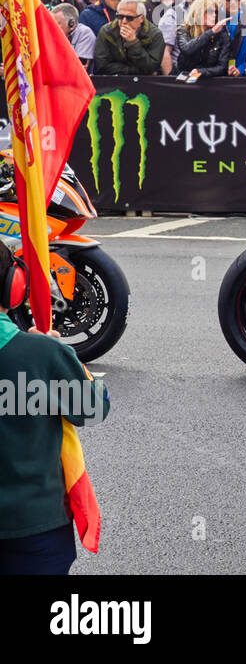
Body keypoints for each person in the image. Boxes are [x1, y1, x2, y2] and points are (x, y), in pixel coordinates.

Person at [0, 243, 110, 575]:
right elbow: (94, 406)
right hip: (35, 530)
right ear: (14, 286)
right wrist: (61, 354)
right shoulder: (42, 354)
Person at [93, 0, 165, 75]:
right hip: (114, 81)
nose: (124, 22)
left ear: (141, 18)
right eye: (120, 17)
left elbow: (151, 67)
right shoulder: (107, 31)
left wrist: (133, 43)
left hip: (145, 82)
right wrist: (135, 71)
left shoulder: (154, 34)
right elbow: (102, 66)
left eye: (129, 18)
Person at [175, 0, 238, 81]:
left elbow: (222, 67)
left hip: (210, 82)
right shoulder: (184, 29)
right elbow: (187, 49)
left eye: (216, 12)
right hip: (183, 79)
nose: (214, 15)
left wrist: (201, 71)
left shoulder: (221, 34)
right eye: (210, 12)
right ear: (199, 13)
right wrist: (210, 32)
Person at [51, 3, 96, 70]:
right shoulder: (50, 34)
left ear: (72, 24)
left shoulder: (85, 33)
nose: (52, 27)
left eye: (57, 24)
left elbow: (80, 66)